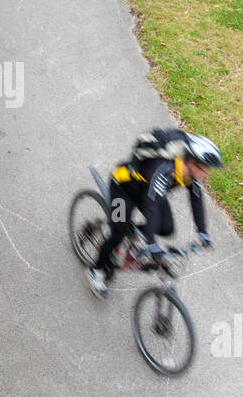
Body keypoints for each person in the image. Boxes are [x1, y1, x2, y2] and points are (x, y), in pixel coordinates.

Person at [87, 128, 223, 299]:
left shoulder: (191, 174)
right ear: (192, 162)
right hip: (122, 190)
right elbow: (152, 206)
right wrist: (152, 244)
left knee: (166, 227)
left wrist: (202, 232)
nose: (207, 173)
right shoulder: (164, 170)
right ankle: (96, 270)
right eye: (205, 168)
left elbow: (196, 199)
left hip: (147, 192)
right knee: (117, 235)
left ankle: (129, 231)